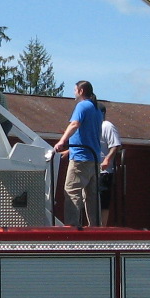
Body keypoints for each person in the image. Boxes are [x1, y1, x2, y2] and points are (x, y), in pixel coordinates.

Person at [51, 80, 103, 227]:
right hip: (93, 157)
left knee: (71, 191)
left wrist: (61, 142)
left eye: (75, 90)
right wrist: (69, 150)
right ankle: (96, 226)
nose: (74, 92)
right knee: (92, 195)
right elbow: (88, 133)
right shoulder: (96, 108)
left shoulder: (82, 106)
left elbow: (75, 124)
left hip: (80, 158)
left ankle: (72, 226)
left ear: (81, 91)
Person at [98, 106, 123, 221]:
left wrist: (107, 159)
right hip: (92, 169)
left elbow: (115, 145)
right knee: (92, 200)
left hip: (105, 172)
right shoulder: (92, 127)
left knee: (103, 201)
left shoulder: (107, 126)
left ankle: (101, 227)